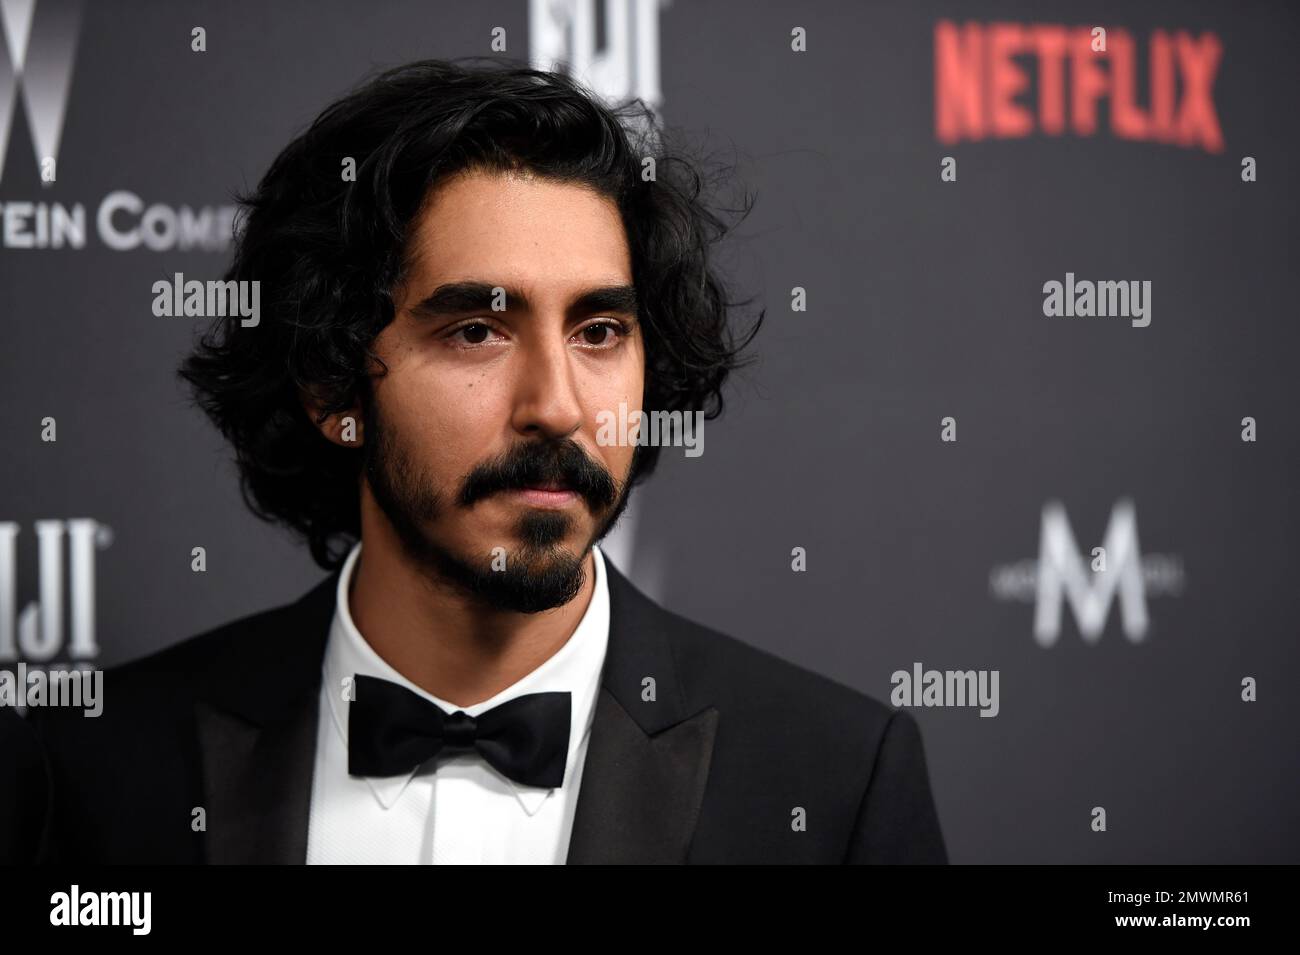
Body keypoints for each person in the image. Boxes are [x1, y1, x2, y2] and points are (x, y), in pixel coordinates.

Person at [17, 58, 947, 864]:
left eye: (599, 330)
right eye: (476, 330)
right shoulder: (94, 767)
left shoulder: (832, 784)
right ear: (333, 384)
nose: (557, 405)